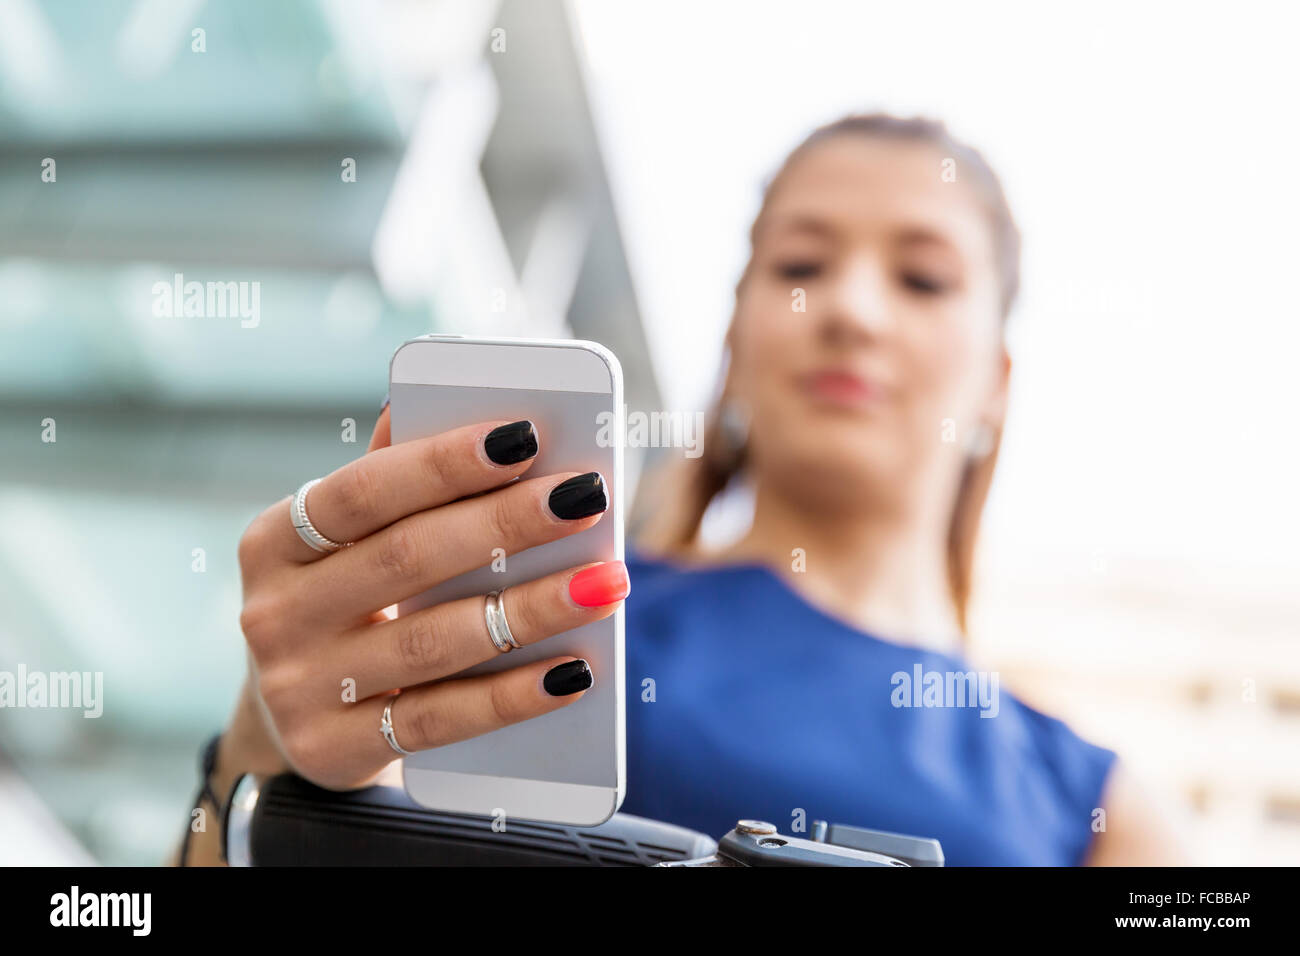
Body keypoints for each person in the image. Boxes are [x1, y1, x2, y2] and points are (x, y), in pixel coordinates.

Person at [176, 114, 1184, 866]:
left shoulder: (1102, 810)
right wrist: (265, 757)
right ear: (735, 346)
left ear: (996, 382)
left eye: (920, 278)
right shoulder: (530, 619)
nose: (848, 309)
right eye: (799, 265)